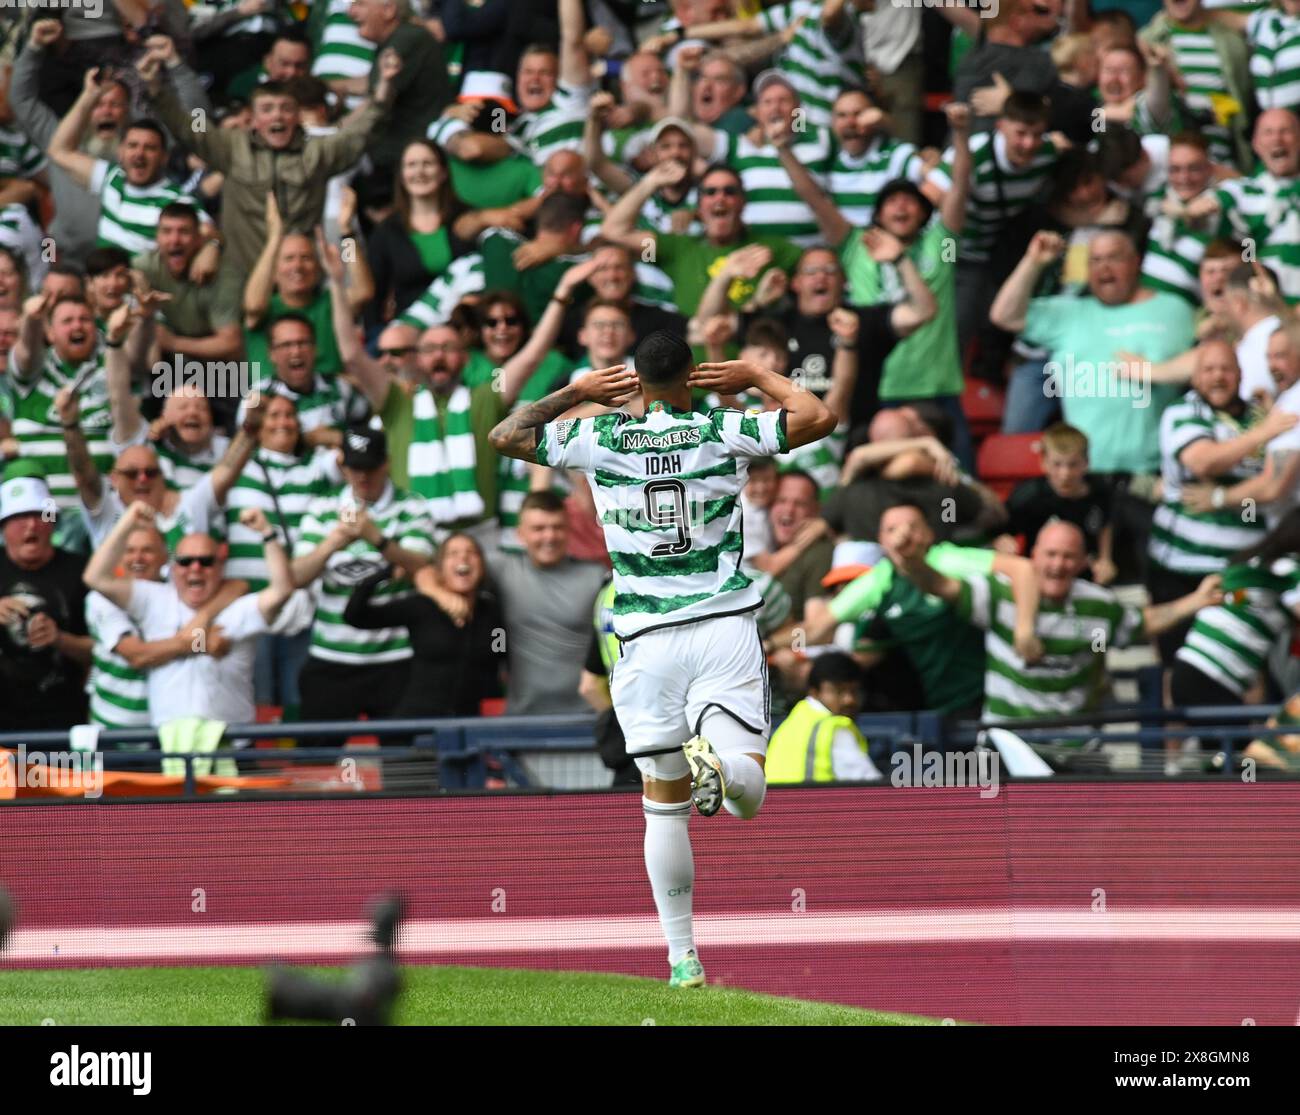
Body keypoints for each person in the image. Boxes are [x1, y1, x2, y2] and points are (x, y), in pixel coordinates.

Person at [488, 330, 836, 988]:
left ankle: (682, 960)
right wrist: (758, 372)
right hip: (723, 623)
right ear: (691, 378)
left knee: (662, 801)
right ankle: (722, 766)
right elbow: (821, 415)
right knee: (747, 796)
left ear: (636, 382)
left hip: (644, 637)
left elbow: (506, 433)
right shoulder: (720, 426)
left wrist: (577, 392)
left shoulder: (601, 437)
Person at [893, 520, 1223, 723]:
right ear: (1034, 556)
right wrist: (912, 561)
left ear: (1082, 562)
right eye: (1050, 554)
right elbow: (940, 585)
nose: (1058, 564)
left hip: (1077, 745)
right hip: (1007, 740)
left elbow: (1142, 624)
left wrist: (1195, 601)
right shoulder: (998, 594)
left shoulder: (1098, 604)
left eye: (1068, 557)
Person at [83, 502, 296, 729]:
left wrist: (266, 533)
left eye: (206, 561)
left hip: (232, 746)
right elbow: (96, 578)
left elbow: (282, 590)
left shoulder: (238, 607)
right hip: (164, 746)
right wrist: (127, 521)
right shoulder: (154, 598)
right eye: (185, 561)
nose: (195, 568)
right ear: (173, 568)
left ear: (220, 567)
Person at [291, 425, 436, 723]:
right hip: (331, 656)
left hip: (395, 658)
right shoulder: (322, 508)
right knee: (315, 762)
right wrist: (333, 542)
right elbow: (297, 576)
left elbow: (421, 565)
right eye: (355, 468)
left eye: (370, 467)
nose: (362, 477)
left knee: (402, 761)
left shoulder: (412, 506)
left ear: (386, 463)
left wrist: (377, 539)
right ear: (342, 465)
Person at [342, 531, 506, 717]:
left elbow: (499, 651)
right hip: (421, 722)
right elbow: (355, 616)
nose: (463, 557)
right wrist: (384, 574)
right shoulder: (421, 607)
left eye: (472, 552)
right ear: (440, 569)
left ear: (482, 566)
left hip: (470, 723)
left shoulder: (491, 611)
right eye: (453, 554)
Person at [0, 471, 93, 731]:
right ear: (3, 526)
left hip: (65, 722)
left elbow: (107, 652)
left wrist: (60, 639)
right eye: (19, 518)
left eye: (40, 516)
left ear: (52, 523)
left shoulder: (82, 572)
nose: (31, 526)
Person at [994, 423, 1118, 583]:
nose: (1065, 473)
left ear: (1086, 463)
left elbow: (1104, 525)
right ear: (1043, 462)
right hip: (1040, 576)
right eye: (1057, 464)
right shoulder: (1028, 496)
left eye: (1073, 464)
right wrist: (1003, 542)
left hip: (1087, 577)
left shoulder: (1101, 491)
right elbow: (1001, 532)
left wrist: (1105, 559)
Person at [766, 651, 881, 783]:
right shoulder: (835, 728)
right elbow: (870, 787)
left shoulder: (791, 724)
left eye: (854, 691)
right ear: (814, 692)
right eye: (838, 691)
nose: (849, 700)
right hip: (811, 803)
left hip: (777, 803)